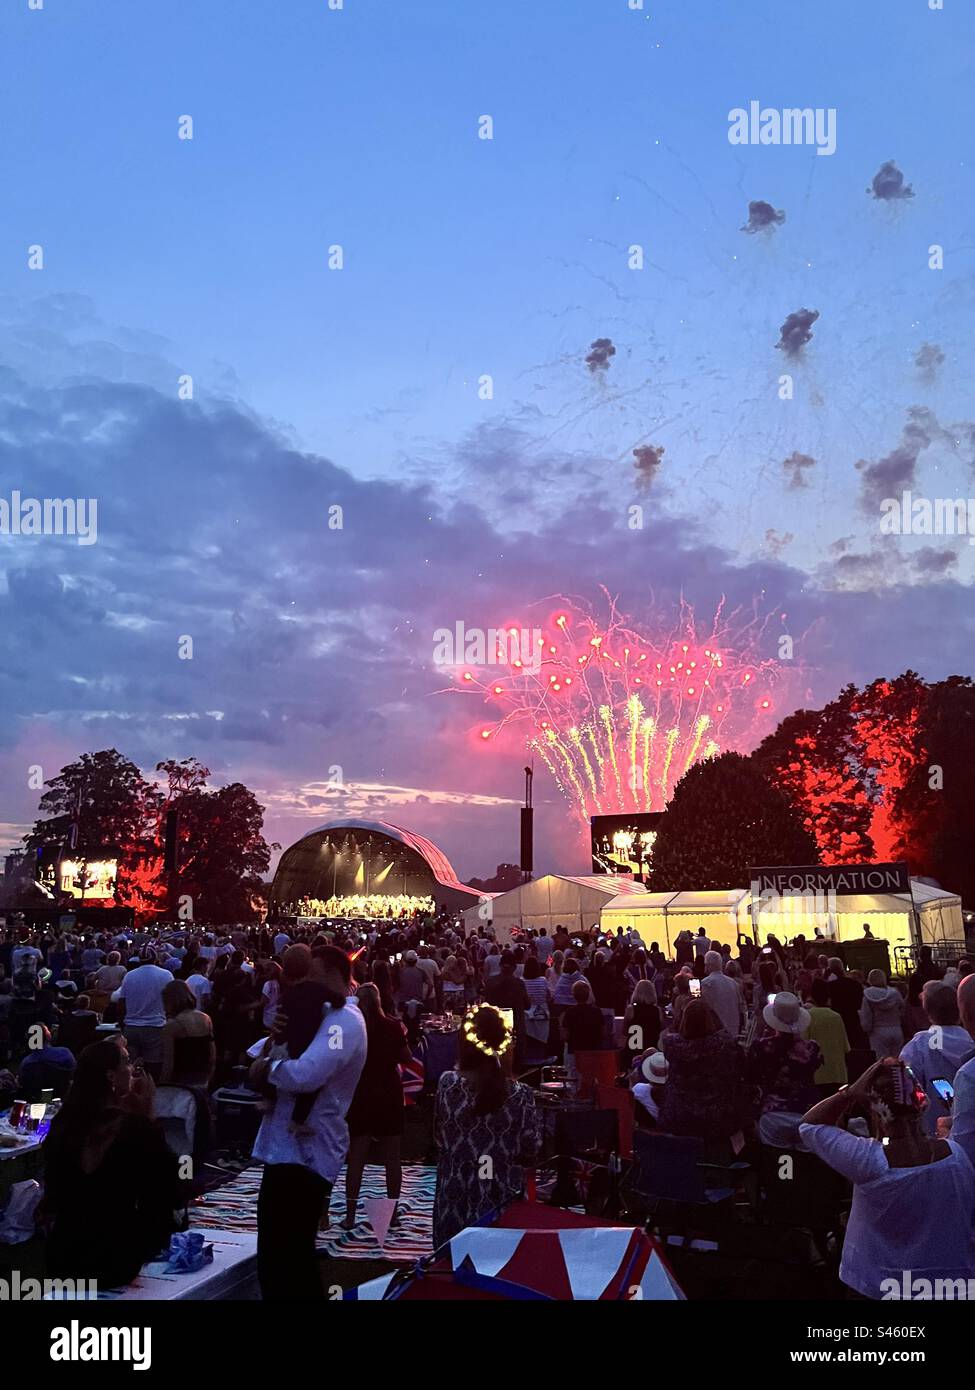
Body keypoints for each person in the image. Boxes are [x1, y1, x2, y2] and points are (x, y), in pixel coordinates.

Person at [799, 1059, 975, 1299]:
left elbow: (810, 1125)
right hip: (949, 1286)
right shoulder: (957, 1157)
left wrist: (850, 1092)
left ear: (874, 1109)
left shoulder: (867, 1161)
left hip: (875, 1287)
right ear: (922, 1103)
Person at [250, 945, 367, 1300]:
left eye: (310, 977)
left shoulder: (344, 1020)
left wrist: (265, 1069)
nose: (302, 984)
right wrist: (274, 1042)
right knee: (275, 1257)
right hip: (284, 1148)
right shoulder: (315, 1013)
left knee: (289, 1260)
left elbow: (306, 1075)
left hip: (307, 1152)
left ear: (333, 976)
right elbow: (263, 1052)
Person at [42, 1038, 183, 1287]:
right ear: (110, 1076)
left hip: (64, 1253)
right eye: (126, 1062)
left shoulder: (63, 1124)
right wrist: (148, 1114)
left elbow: (55, 1190)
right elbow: (167, 1188)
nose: (132, 1069)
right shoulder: (136, 1129)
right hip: (113, 1257)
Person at [432, 1005, 541, 1247]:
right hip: (500, 1202)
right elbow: (531, 1150)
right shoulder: (521, 1096)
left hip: (453, 1197)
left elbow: (439, 1136)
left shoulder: (447, 1085)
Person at [341, 983, 413, 1231]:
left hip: (361, 1092)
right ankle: (392, 1213)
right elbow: (407, 1057)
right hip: (388, 1092)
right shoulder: (393, 1026)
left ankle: (350, 1214)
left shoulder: (354, 1029)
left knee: (357, 1157)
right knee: (392, 1157)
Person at [657, 999, 750, 1151]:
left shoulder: (672, 1046)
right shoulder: (726, 1046)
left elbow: (670, 1034)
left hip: (679, 1115)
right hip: (719, 1116)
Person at [747, 992, 822, 1147]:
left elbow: (752, 1079)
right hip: (805, 1111)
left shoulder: (761, 1047)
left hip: (773, 1113)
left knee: (776, 1161)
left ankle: (784, 1172)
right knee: (804, 1163)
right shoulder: (812, 1048)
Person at [900, 981, 975, 1135]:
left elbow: (905, 1092)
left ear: (927, 1011)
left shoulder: (918, 1047)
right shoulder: (970, 1039)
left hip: (933, 1135)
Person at [110, 951, 174, 1079]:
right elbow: (171, 999)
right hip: (155, 1026)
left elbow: (121, 1002)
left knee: (130, 1064)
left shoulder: (130, 975)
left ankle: (130, 1089)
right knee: (153, 1065)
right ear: (155, 959)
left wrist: (122, 1023)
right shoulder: (166, 975)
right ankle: (150, 1090)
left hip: (131, 1026)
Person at [159, 979, 215, 1088]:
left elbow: (168, 1062)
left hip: (180, 1081)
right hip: (202, 1078)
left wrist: (162, 1086)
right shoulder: (205, 1018)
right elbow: (212, 1055)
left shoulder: (171, 1026)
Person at [804, 977, 850, 1094]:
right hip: (837, 1072)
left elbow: (805, 1043)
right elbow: (845, 1047)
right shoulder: (836, 1017)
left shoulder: (808, 1017)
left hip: (817, 1074)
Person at [17, 1025, 76, 1099]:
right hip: (64, 1096)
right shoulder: (65, 1052)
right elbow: (74, 1073)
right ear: (48, 1036)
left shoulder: (27, 1062)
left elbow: (22, 1083)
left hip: (38, 1099)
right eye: (47, 1030)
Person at [859, 969, 906, 1058]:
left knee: (882, 1061)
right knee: (897, 1059)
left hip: (878, 1031)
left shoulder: (868, 995)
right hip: (896, 1029)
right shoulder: (894, 993)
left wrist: (867, 1029)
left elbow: (866, 1016)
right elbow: (902, 1008)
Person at [825, 956, 867, 1050]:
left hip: (838, 1020)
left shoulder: (829, 987)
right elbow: (860, 1003)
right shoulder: (855, 985)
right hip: (853, 1019)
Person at [701, 950, 742, 1039]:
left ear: (709, 965)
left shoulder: (706, 983)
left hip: (717, 1031)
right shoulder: (733, 983)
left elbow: (705, 1007)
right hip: (733, 1029)